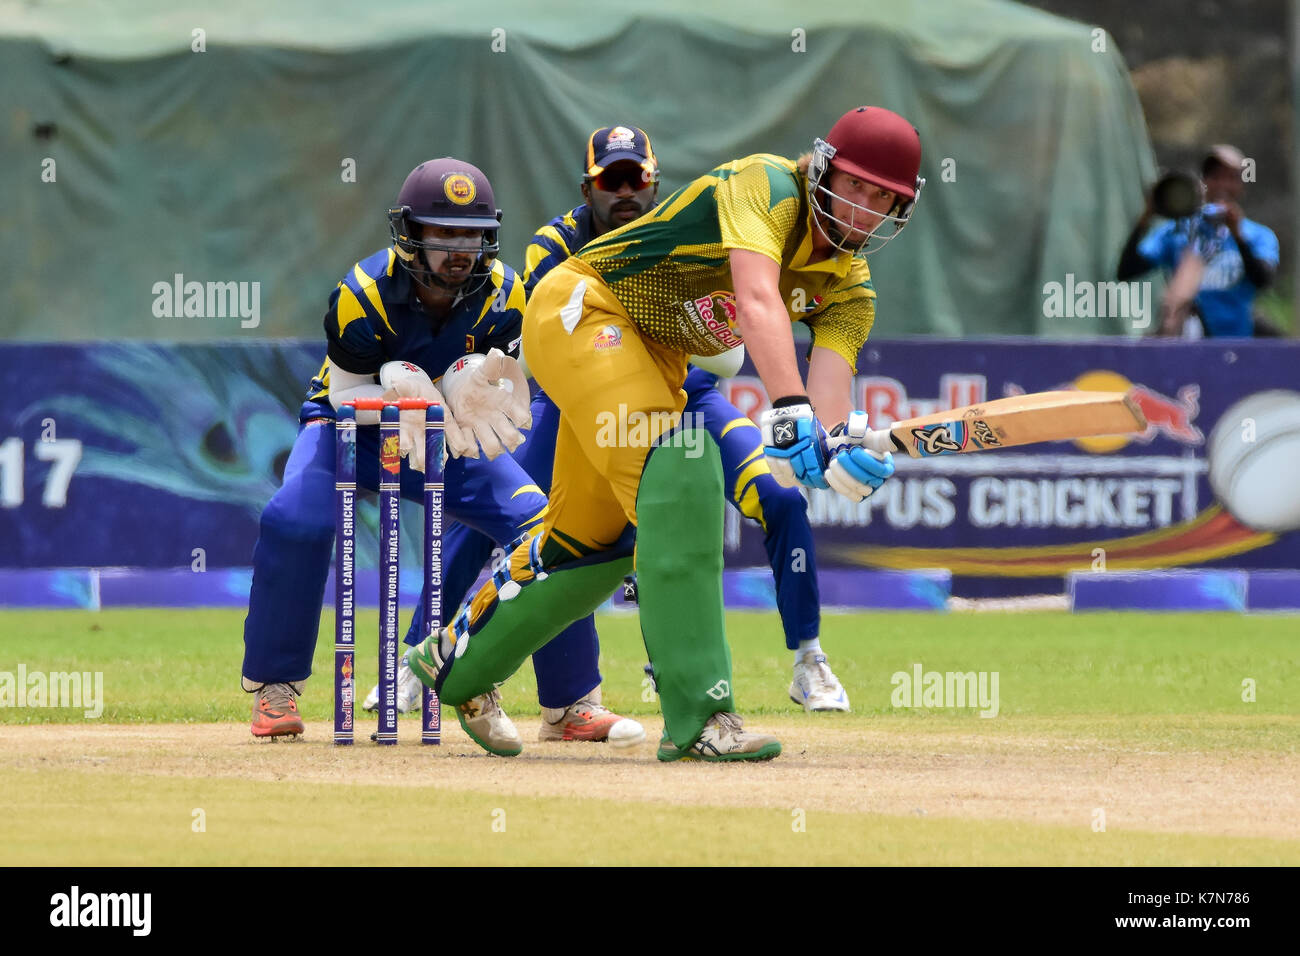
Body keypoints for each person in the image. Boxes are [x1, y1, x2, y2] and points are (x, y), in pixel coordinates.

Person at [409, 106, 922, 762]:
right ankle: (703, 716)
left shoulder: (850, 288)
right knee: (678, 467)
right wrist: (789, 406)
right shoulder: (767, 186)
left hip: (654, 359)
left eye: (884, 200)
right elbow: (759, 297)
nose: (863, 211)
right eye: (855, 186)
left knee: (591, 544)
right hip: (584, 308)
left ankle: (455, 665)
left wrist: (838, 448)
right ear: (821, 170)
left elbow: (830, 394)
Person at [241, 157, 639, 754]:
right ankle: (276, 688)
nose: (460, 250)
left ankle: (570, 703)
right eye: (444, 233)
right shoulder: (362, 293)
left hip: (450, 435)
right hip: (352, 426)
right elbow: (347, 390)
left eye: (473, 235)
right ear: (410, 233)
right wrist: (400, 391)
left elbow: (508, 375)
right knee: (293, 519)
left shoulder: (506, 292)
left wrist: (465, 383)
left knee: (547, 527)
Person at [522, 125, 851, 711]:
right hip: (584, 395)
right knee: (513, 512)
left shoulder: (708, 224)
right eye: (610, 180)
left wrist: (834, 436)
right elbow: (534, 327)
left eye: (637, 179)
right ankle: (428, 659)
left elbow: (734, 338)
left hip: (689, 392)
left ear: (655, 184)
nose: (624, 191)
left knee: (780, 499)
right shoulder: (558, 242)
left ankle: (808, 660)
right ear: (587, 187)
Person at [1117, 144, 1279, 337]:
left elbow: (1262, 281)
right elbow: (1126, 271)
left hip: (1237, 343)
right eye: (1215, 176)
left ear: (1241, 185)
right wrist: (1148, 214)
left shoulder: (1258, 234)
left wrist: (1238, 237)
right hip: (1189, 345)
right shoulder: (1178, 230)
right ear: (1204, 182)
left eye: (1231, 178)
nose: (1222, 185)